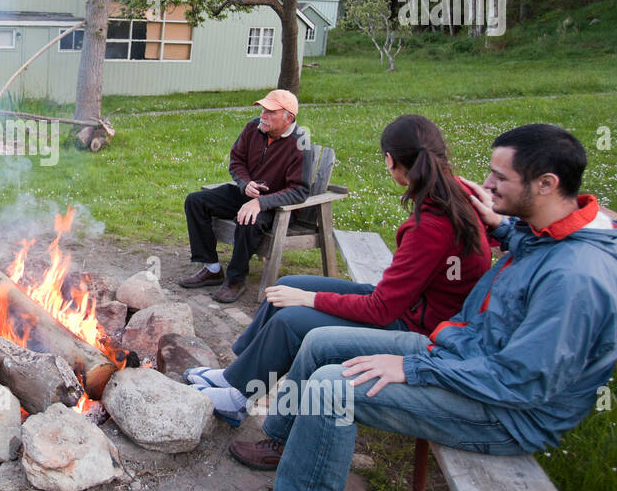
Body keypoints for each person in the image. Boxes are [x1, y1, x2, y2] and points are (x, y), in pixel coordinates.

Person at [227, 124, 617, 491]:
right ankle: (286, 442)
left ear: (546, 184)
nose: (488, 185)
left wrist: (414, 368)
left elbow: (522, 383)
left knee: (333, 388)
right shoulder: (553, 234)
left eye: (501, 177)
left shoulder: (575, 279)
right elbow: (537, 254)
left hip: (508, 411)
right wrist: (501, 226)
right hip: (467, 355)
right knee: (322, 343)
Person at [186, 114, 492, 423]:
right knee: (288, 285)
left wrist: (309, 300)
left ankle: (238, 398)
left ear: (390, 161)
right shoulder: (458, 194)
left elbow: (381, 309)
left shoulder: (431, 225)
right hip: (416, 305)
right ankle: (234, 376)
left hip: (419, 328)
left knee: (292, 317)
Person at [180, 89, 310, 303]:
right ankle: (212, 268)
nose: (263, 115)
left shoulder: (300, 143)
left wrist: (261, 202)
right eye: (263, 110)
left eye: (271, 112)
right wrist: (245, 183)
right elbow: (237, 160)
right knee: (195, 201)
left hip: (276, 207)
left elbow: (300, 190)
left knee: (248, 219)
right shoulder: (253, 128)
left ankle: (235, 280)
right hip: (248, 193)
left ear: (289, 117)